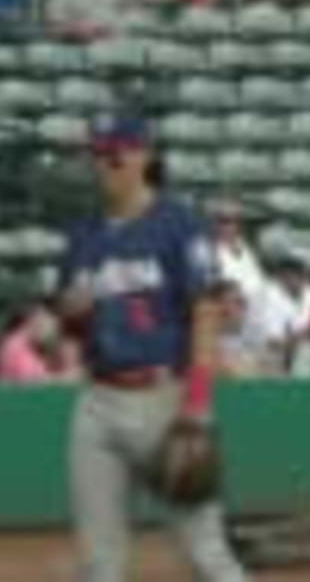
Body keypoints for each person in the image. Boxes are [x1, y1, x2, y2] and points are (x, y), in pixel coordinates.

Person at [55, 114, 248, 582]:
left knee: (206, 552)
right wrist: (71, 312)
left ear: (143, 156)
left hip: (166, 399)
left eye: (114, 153)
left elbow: (205, 314)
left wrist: (197, 406)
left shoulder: (180, 225)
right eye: (97, 154)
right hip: (98, 402)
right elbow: (70, 325)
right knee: (99, 562)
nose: (104, 163)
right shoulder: (83, 235)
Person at [0, 299, 65, 383]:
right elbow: (29, 381)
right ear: (36, 322)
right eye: (48, 328)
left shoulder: (29, 345)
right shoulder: (16, 345)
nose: (49, 334)